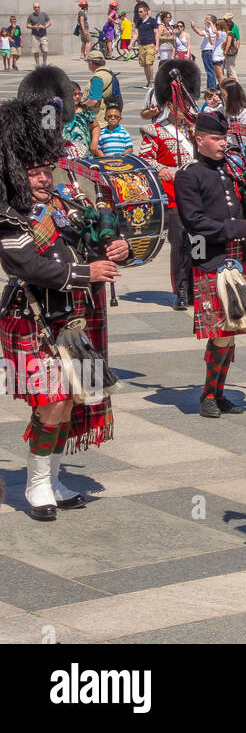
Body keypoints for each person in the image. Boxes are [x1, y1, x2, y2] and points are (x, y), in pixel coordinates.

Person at [0, 91, 128, 520]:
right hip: (32, 316)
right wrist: (85, 274)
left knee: (72, 398)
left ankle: (53, 479)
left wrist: (116, 245)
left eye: (44, 169)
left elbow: (97, 234)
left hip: (74, 319)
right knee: (52, 400)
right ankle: (36, 484)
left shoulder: (67, 203)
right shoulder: (10, 215)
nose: (41, 178)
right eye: (32, 171)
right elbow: (26, 264)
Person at [175, 110, 246, 418]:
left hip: (238, 256)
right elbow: (195, 223)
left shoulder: (233, 168)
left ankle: (218, 393)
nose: (223, 144)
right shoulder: (188, 175)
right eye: (216, 139)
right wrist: (240, 228)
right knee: (222, 331)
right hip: (210, 257)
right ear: (199, 139)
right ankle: (209, 393)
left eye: (224, 138)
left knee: (232, 329)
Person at [139, 58, 200, 311]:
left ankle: (198, 286)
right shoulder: (156, 131)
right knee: (180, 244)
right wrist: (165, 170)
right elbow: (145, 159)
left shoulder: (196, 131)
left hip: (199, 196)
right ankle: (181, 289)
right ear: (168, 103)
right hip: (174, 197)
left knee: (199, 243)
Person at [84, 51, 119, 125]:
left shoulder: (98, 77)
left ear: (90, 63)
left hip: (99, 119)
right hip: (107, 114)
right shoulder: (109, 72)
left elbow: (94, 100)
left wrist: (80, 107)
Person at [134, 1, 158, 86]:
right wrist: (131, 43)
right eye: (138, 12)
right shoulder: (139, 21)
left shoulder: (152, 21)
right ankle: (148, 82)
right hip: (141, 45)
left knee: (149, 63)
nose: (139, 13)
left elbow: (156, 33)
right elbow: (136, 33)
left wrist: (157, 46)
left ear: (145, 11)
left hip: (150, 45)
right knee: (144, 64)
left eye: (141, 12)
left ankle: (151, 81)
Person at [192, 13, 219, 90]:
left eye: (207, 19)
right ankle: (210, 86)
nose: (205, 20)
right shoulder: (212, 29)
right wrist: (194, 27)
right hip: (208, 51)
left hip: (208, 51)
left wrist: (194, 26)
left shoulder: (210, 30)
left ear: (210, 21)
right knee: (210, 70)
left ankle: (211, 87)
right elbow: (200, 33)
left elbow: (200, 33)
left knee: (209, 70)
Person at [26, 1, 51, 67]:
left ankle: (44, 63)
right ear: (33, 8)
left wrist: (44, 26)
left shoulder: (44, 14)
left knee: (45, 49)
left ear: (40, 7)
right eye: (35, 7)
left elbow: (49, 23)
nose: (37, 8)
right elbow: (27, 25)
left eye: (38, 7)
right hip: (35, 35)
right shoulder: (31, 16)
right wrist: (33, 27)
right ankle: (37, 64)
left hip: (43, 35)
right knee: (36, 51)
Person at [221, 12, 241, 79]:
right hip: (225, 50)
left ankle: (234, 82)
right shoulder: (223, 26)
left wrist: (236, 50)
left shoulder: (233, 27)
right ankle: (228, 81)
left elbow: (237, 39)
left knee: (230, 68)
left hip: (229, 51)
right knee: (227, 68)